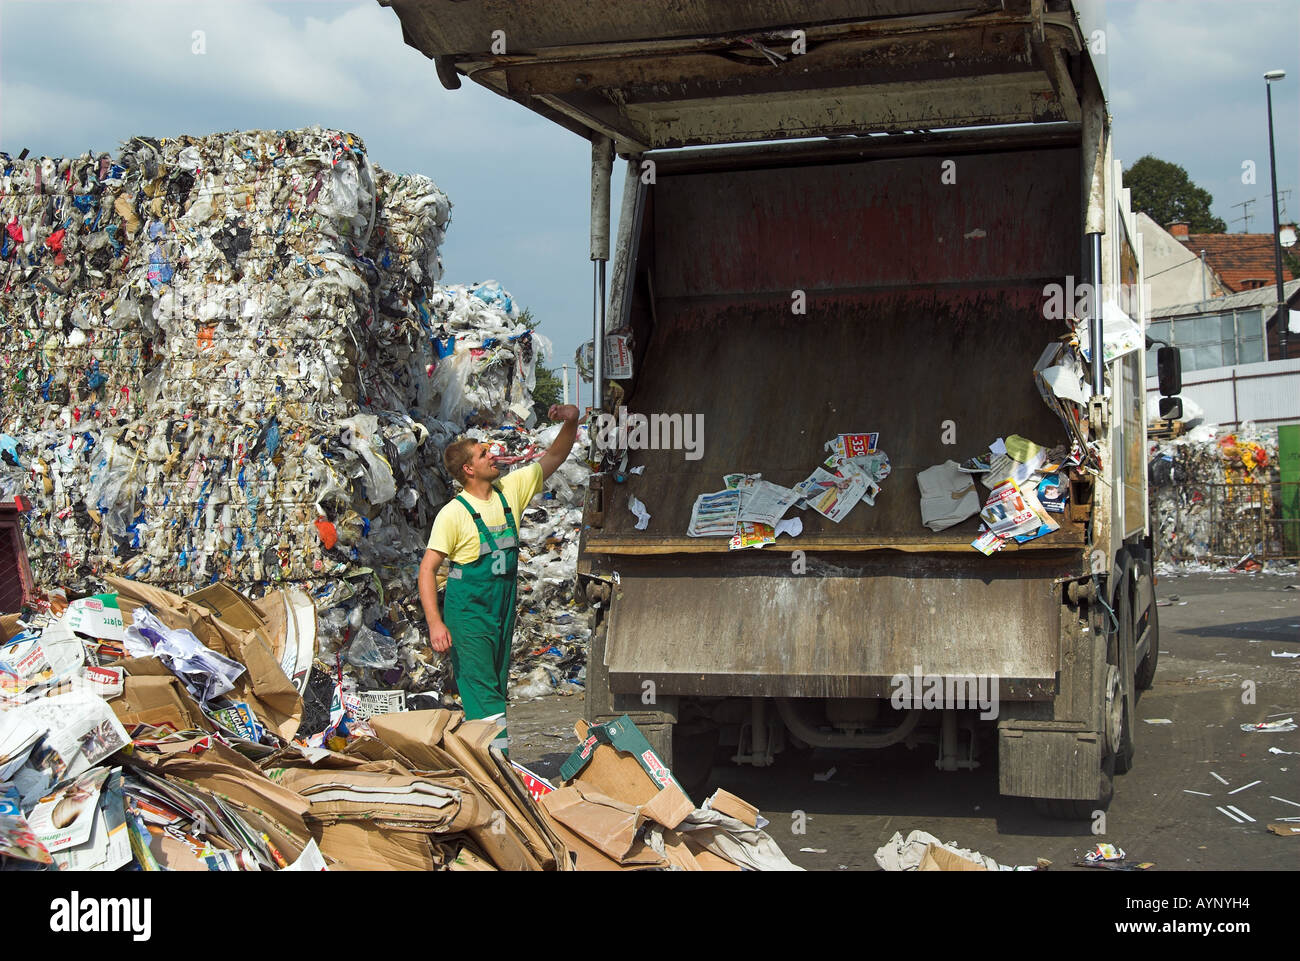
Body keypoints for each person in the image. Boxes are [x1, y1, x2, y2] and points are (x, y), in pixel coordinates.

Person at [418, 404, 581, 756]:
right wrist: (435, 622)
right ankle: (498, 769)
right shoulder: (453, 514)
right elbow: (427, 569)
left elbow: (556, 455)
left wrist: (572, 420)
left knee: (493, 687)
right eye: (482, 453)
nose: (492, 455)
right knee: (484, 692)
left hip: (502, 607)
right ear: (468, 469)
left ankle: (484, 763)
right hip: (469, 612)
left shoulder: (512, 490)